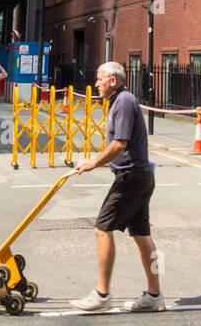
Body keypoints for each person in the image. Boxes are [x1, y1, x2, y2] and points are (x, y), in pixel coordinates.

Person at [70, 61, 164, 313]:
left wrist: (93, 162)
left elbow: (120, 144)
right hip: (141, 175)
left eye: (100, 79)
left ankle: (102, 294)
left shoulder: (123, 101)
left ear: (113, 80)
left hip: (131, 177)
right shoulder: (119, 101)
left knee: (102, 229)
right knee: (142, 236)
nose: (96, 83)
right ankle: (154, 295)